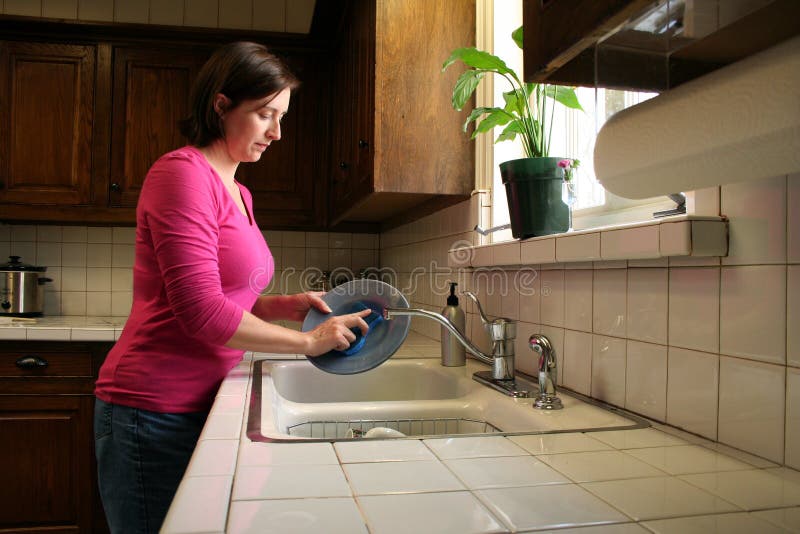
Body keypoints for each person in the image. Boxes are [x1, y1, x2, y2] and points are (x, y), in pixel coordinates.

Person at [93, 41, 371, 534]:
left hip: (202, 400)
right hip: (152, 411)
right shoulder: (182, 175)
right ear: (221, 105)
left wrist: (281, 306)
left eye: (282, 116)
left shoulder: (239, 190)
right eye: (265, 114)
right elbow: (199, 311)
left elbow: (228, 296)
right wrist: (309, 341)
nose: (277, 132)